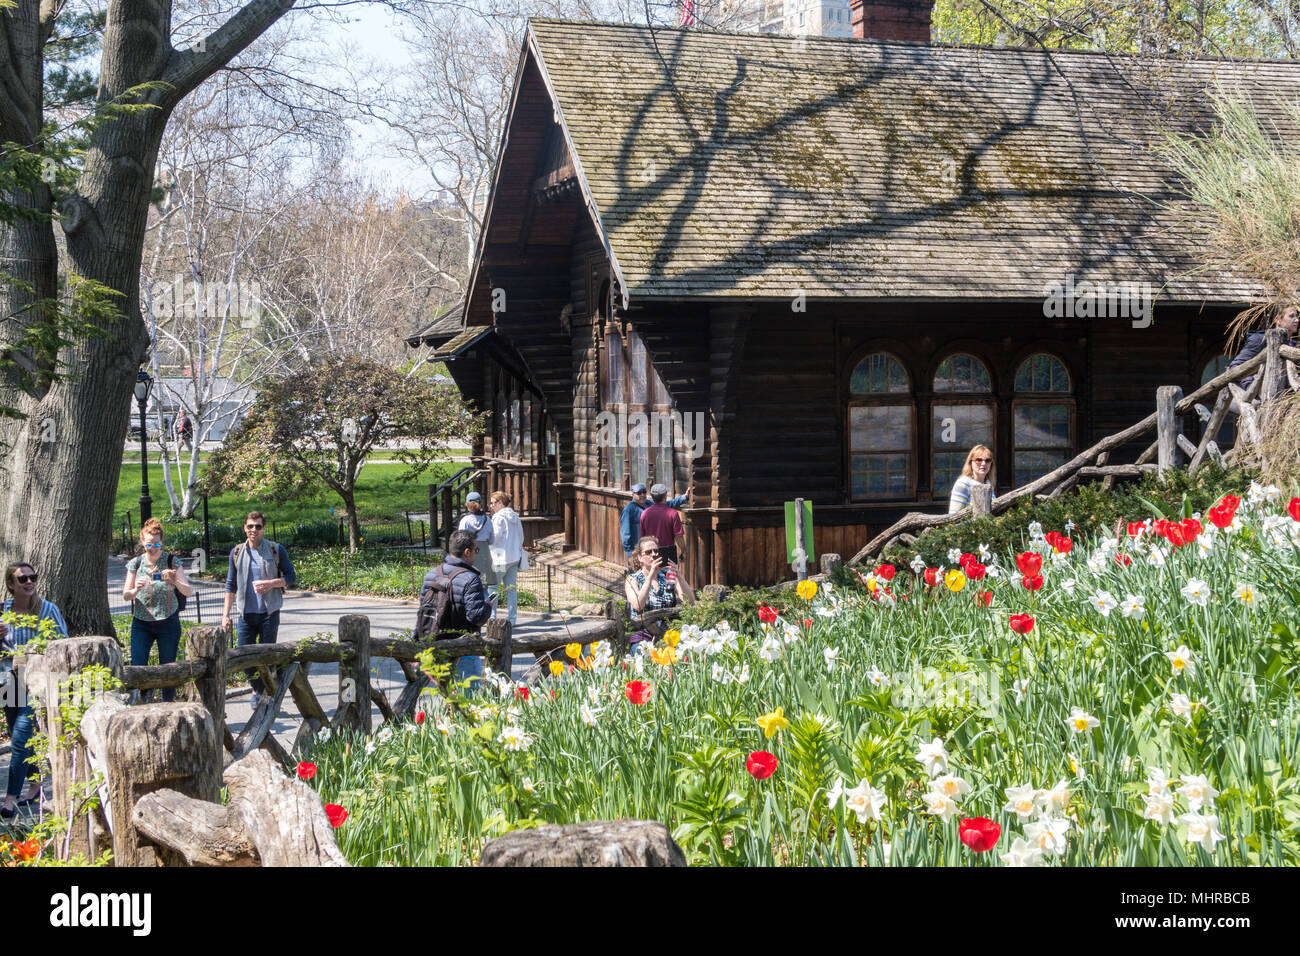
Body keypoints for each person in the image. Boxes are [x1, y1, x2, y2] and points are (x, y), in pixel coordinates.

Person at [1, 562, 67, 819]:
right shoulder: (2, 611)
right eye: (22, 579)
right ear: (10, 585)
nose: (29, 582)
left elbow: (63, 643)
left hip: (36, 682)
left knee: (19, 738)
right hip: (8, 681)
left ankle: (10, 799)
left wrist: (39, 644)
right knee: (23, 739)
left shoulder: (47, 609)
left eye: (32, 577)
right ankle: (37, 784)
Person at [222, 511, 296, 708]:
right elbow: (230, 585)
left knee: (265, 655)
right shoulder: (237, 552)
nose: (253, 530)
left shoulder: (275, 549)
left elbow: (291, 576)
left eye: (258, 526)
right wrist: (225, 615)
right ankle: (258, 689)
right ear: (244, 528)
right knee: (244, 655)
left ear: (263, 528)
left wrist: (272, 583)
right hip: (246, 613)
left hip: (269, 613)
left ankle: (262, 693)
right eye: (250, 526)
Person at [122, 519, 193, 703]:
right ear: (142, 542)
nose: (152, 547)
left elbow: (188, 591)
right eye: (149, 544)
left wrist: (174, 580)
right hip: (142, 622)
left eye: (156, 544)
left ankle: (167, 705)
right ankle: (141, 705)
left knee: (168, 668)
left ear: (161, 542)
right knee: (139, 668)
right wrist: (135, 590)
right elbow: (126, 595)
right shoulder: (136, 563)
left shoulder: (171, 561)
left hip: (168, 621)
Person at [424, 530, 494, 687]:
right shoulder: (471, 579)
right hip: (464, 647)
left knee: (448, 699)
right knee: (469, 702)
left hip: (435, 645)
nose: (477, 553)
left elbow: (424, 608)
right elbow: (475, 616)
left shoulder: (431, 574)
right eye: (476, 550)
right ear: (467, 552)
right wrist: (487, 607)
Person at [624, 536, 694, 652]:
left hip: (669, 635)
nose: (653, 554)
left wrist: (679, 575)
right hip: (643, 637)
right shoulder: (632, 580)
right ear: (640, 557)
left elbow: (689, 601)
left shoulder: (667, 576)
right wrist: (651, 574)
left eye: (656, 551)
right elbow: (638, 605)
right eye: (648, 552)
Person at [1226, 304, 1300, 396]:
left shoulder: (1295, 344)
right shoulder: (1259, 340)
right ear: (1278, 320)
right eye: (1291, 316)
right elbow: (1236, 366)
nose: (1297, 320)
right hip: (1257, 398)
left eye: (1297, 316)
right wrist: (1252, 387)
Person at [620, 483, 687, 567]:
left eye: (644, 492)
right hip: (641, 551)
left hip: (653, 550)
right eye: (639, 493)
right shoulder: (628, 510)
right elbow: (625, 535)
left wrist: (684, 497)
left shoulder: (648, 505)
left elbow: (666, 505)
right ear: (633, 494)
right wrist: (630, 555)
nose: (642, 495)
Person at [488, 491, 527, 627]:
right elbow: (521, 537)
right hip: (514, 558)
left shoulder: (498, 517)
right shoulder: (515, 517)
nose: (491, 506)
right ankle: (512, 618)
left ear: (500, 503)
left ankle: (492, 616)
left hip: (499, 558)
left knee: (493, 589)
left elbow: (495, 538)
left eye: (493, 503)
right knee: (511, 589)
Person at [948, 445, 996, 513]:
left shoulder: (988, 483)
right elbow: (953, 516)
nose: (983, 463)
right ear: (970, 462)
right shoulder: (963, 483)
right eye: (979, 460)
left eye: (987, 460)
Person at [457, 492, 494, 579]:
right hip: (485, 553)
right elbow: (492, 540)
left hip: (469, 553)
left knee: (470, 580)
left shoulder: (465, 520)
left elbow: (460, 541)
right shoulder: (487, 519)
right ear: (480, 504)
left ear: (467, 504)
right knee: (484, 582)